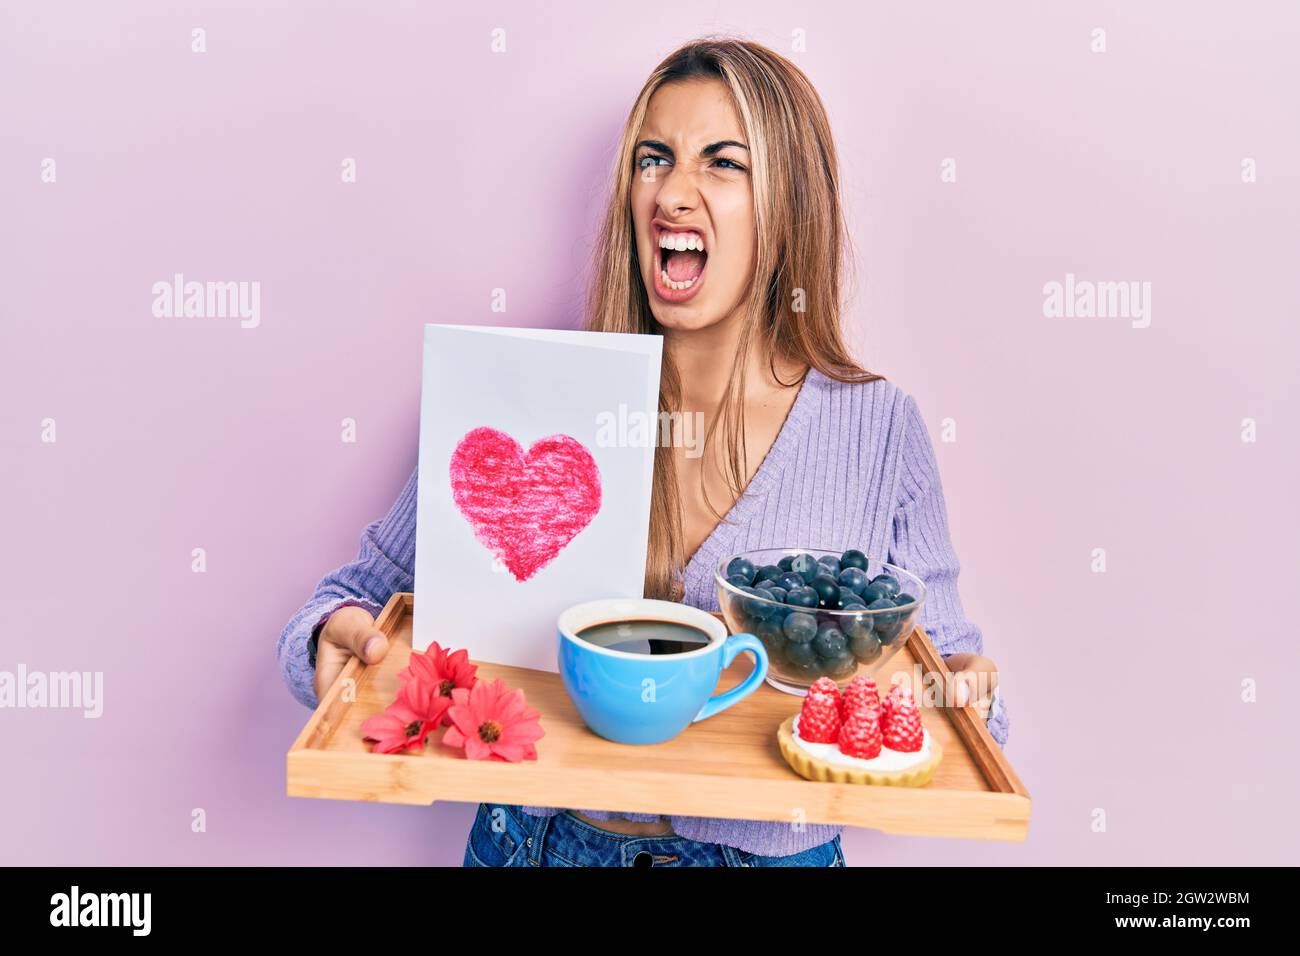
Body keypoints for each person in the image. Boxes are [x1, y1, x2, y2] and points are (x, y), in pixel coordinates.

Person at [277, 35, 1007, 868]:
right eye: (653, 159)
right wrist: (327, 644)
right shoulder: (531, 396)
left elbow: (957, 687)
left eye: (722, 164)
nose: (673, 194)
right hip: (538, 844)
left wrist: (961, 689)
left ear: (791, 203)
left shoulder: (878, 432)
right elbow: (349, 602)